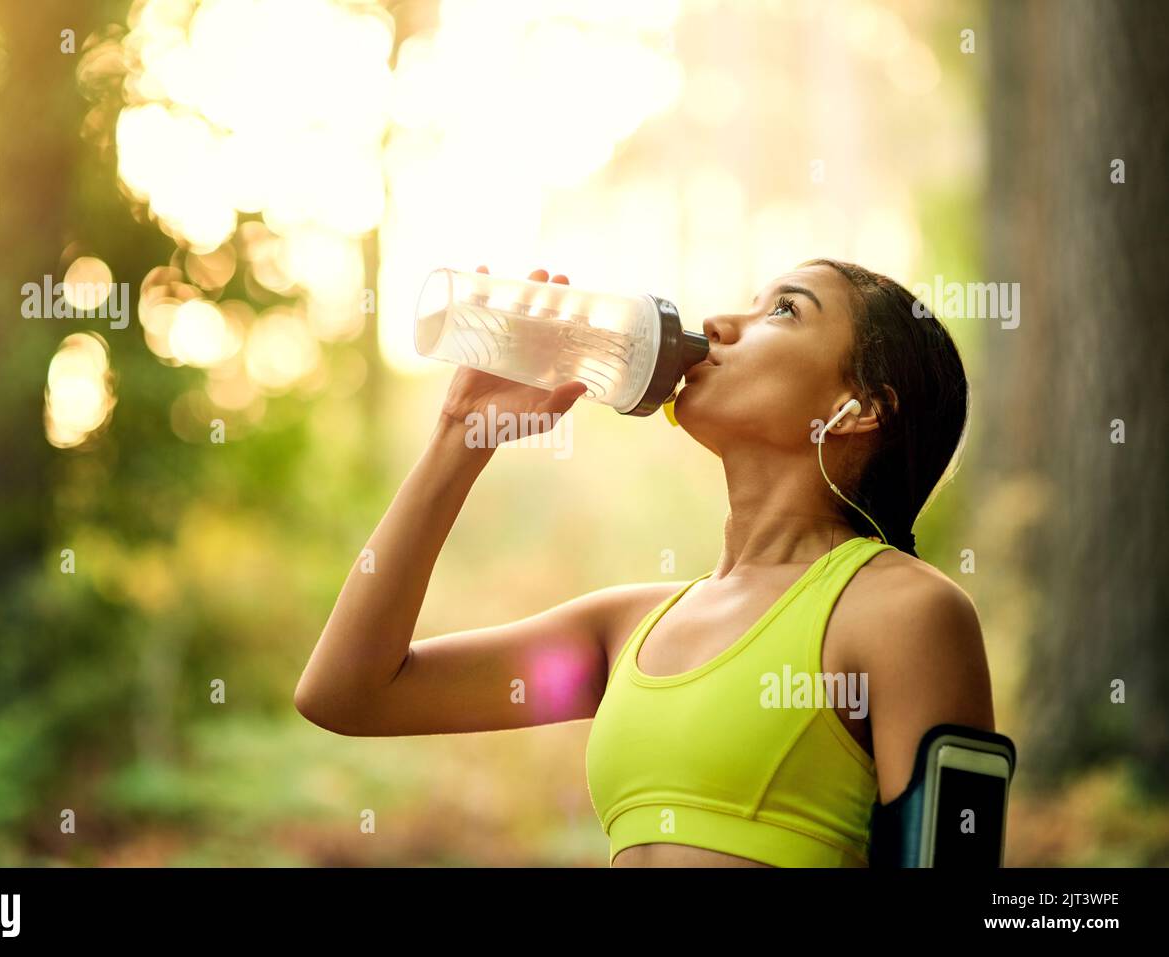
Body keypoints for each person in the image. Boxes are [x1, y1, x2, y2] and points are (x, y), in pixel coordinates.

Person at [294, 260, 995, 867]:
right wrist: (461, 434)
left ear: (858, 408)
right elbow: (351, 692)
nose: (719, 323)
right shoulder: (626, 629)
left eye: (783, 310)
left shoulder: (903, 612)